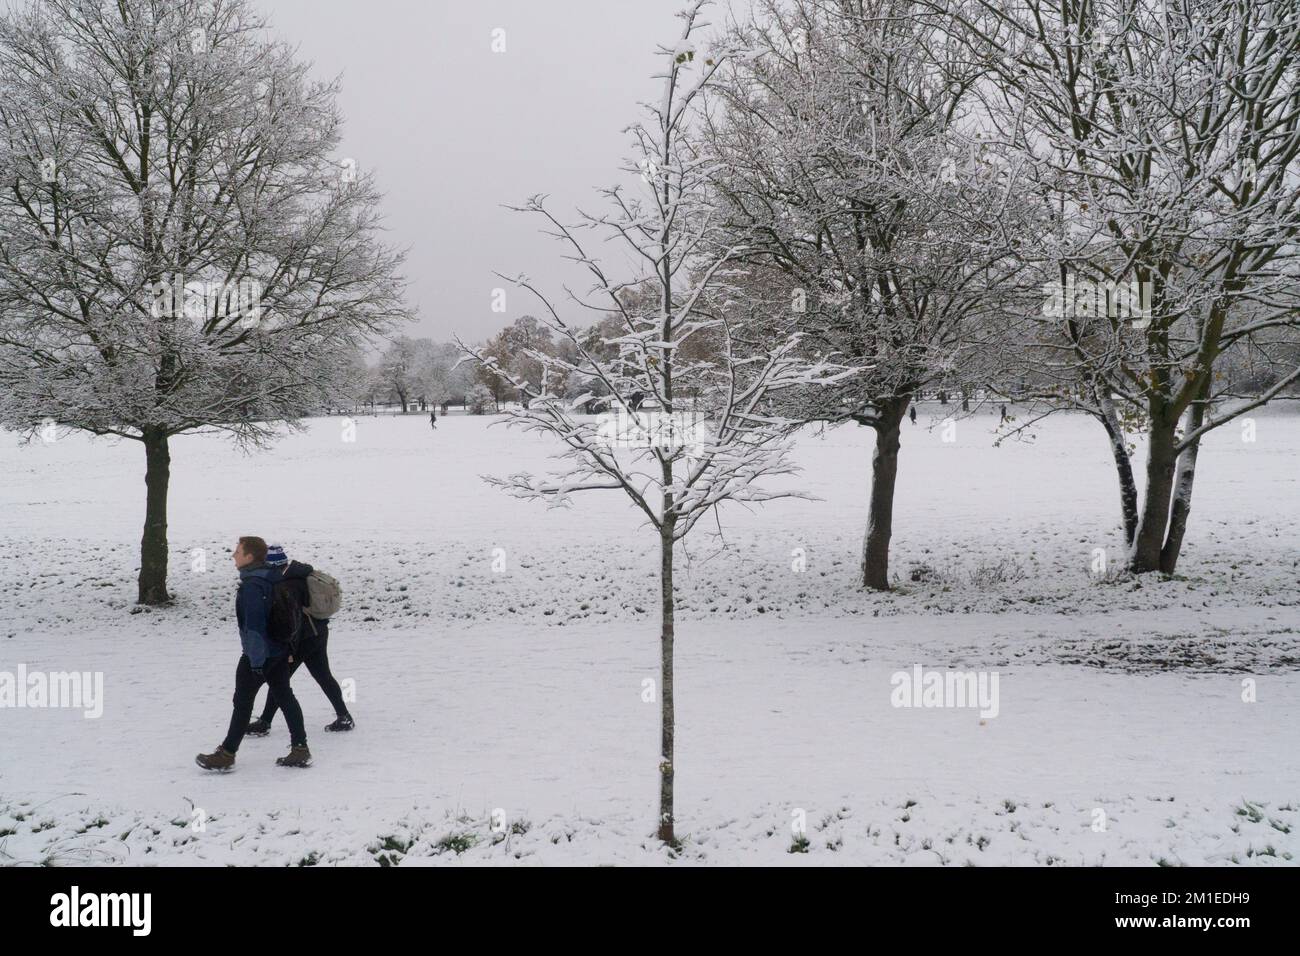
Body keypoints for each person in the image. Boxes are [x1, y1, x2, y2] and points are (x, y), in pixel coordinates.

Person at [195, 536, 312, 771]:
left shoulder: (252, 586)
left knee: (242, 702)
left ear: (249, 557)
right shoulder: (274, 578)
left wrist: (256, 662)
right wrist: (287, 649)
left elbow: (255, 627)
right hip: (278, 650)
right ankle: (300, 749)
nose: (233, 555)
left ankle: (227, 754)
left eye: (237, 551)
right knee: (285, 697)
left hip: (259, 655)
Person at [246, 545, 355, 735]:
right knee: (323, 675)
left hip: (303, 639)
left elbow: (293, 621)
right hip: (318, 632)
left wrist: (288, 650)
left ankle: (264, 722)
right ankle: (344, 716)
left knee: (279, 678)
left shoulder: (286, 586)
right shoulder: (301, 574)